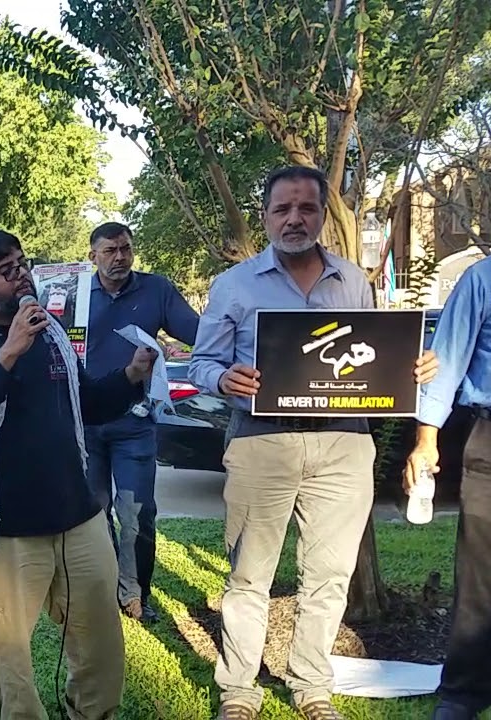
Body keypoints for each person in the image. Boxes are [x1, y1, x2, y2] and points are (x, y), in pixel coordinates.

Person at [189, 165, 440, 720]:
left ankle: (312, 687)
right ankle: (239, 690)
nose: (294, 219)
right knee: (248, 575)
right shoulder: (233, 285)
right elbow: (203, 362)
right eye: (283, 209)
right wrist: (221, 378)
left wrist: (412, 366)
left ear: (323, 215)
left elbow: (375, 357)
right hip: (261, 444)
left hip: (343, 446)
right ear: (266, 217)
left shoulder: (353, 281)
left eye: (306, 208)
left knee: (328, 576)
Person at [0, 229, 156, 720]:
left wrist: (131, 377)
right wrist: (7, 353)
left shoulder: (51, 333)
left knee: (100, 646)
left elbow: (85, 404)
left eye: (22, 263)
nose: (22, 276)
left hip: (77, 518)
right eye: (6, 271)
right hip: (3, 532)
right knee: (12, 665)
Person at [84, 221, 200, 623]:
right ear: (92, 255)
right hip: (82, 422)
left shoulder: (156, 290)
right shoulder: (74, 295)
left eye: (126, 249)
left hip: (134, 422)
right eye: (110, 250)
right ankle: (101, 590)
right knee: (91, 511)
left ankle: (134, 595)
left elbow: (198, 333)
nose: (119, 257)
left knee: (136, 511)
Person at [403, 255, 491, 720]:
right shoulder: (481, 279)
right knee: (480, 575)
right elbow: (449, 358)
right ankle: (463, 693)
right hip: (490, 439)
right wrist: (425, 442)